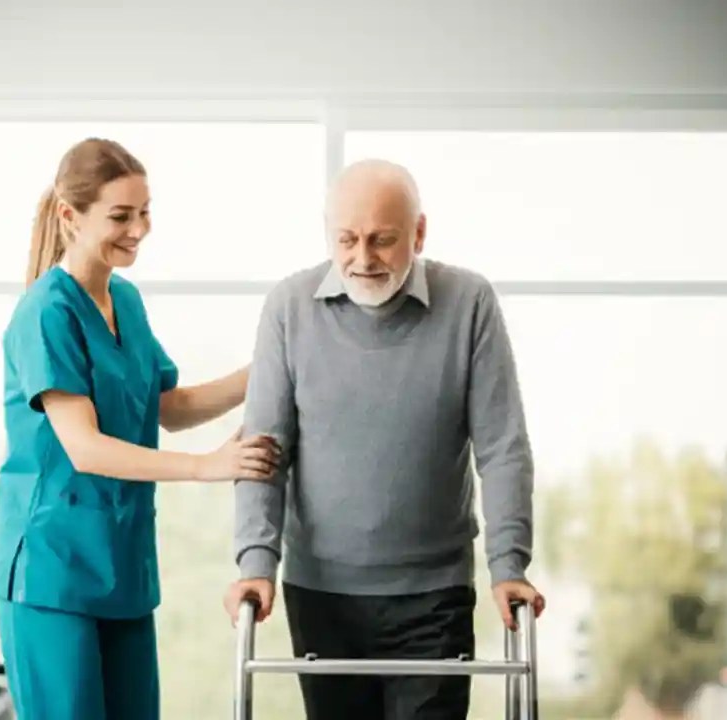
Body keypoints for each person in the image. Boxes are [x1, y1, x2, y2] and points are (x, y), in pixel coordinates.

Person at [223, 159, 546, 720]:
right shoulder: (289, 307)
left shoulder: (469, 303)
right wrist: (255, 560)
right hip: (321, 594)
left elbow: (502, 447)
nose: (362, 258)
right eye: (346, 240)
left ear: (419, 233)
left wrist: (508, 565)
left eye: (382, 240)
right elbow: (264, 451)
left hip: (434, 596)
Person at [0, 137, 280, 720]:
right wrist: (206, 466)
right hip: (53, 570)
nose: (139, 229)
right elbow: (85, 447)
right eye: (121, 216)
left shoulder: (125, 299)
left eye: (145, 212)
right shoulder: (47, 310)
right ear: (71, 217)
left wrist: (271, 365)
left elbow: (168, 406)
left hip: (121, 564)